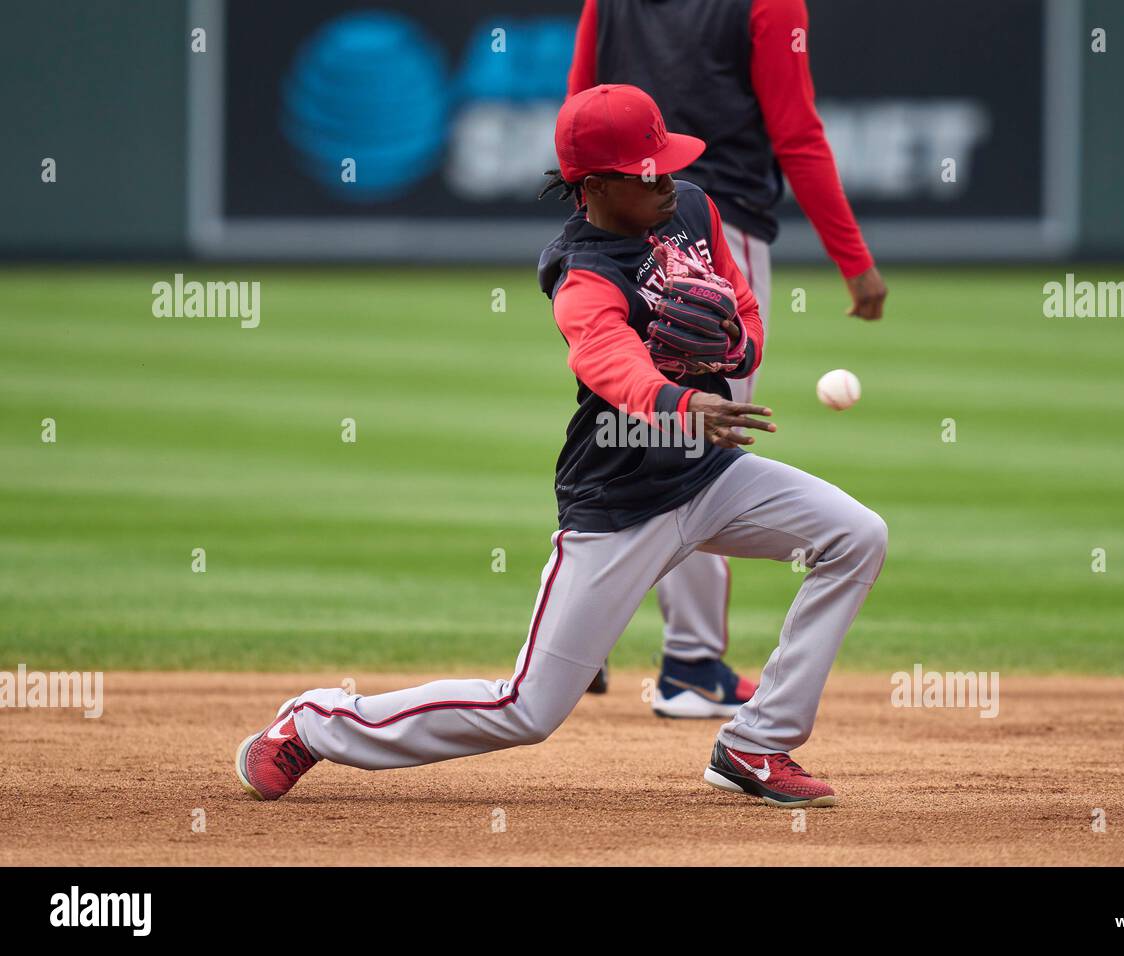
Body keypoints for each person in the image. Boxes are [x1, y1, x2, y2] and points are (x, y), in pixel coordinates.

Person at [235, 85, 887, 809]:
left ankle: (757, 743)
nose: (669, 182)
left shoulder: (693, 208)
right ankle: (316, 722)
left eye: (668, 164)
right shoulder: (583, 272)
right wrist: (677, 401)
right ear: (598, 187)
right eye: (650, 174)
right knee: (527, 708)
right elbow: (606, 359)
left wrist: (738, 345)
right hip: (620, 505)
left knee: (856, 535)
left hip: (712, 477)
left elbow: (743, 302)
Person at [569, 0, 888, 716]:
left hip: (617, 230)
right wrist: (854, 260)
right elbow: (798, 133)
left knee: (640, 423)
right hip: (719, 229)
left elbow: (578, 108)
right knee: (699, 444)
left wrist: (585, 231)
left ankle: (594, 626)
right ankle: (688, 662)